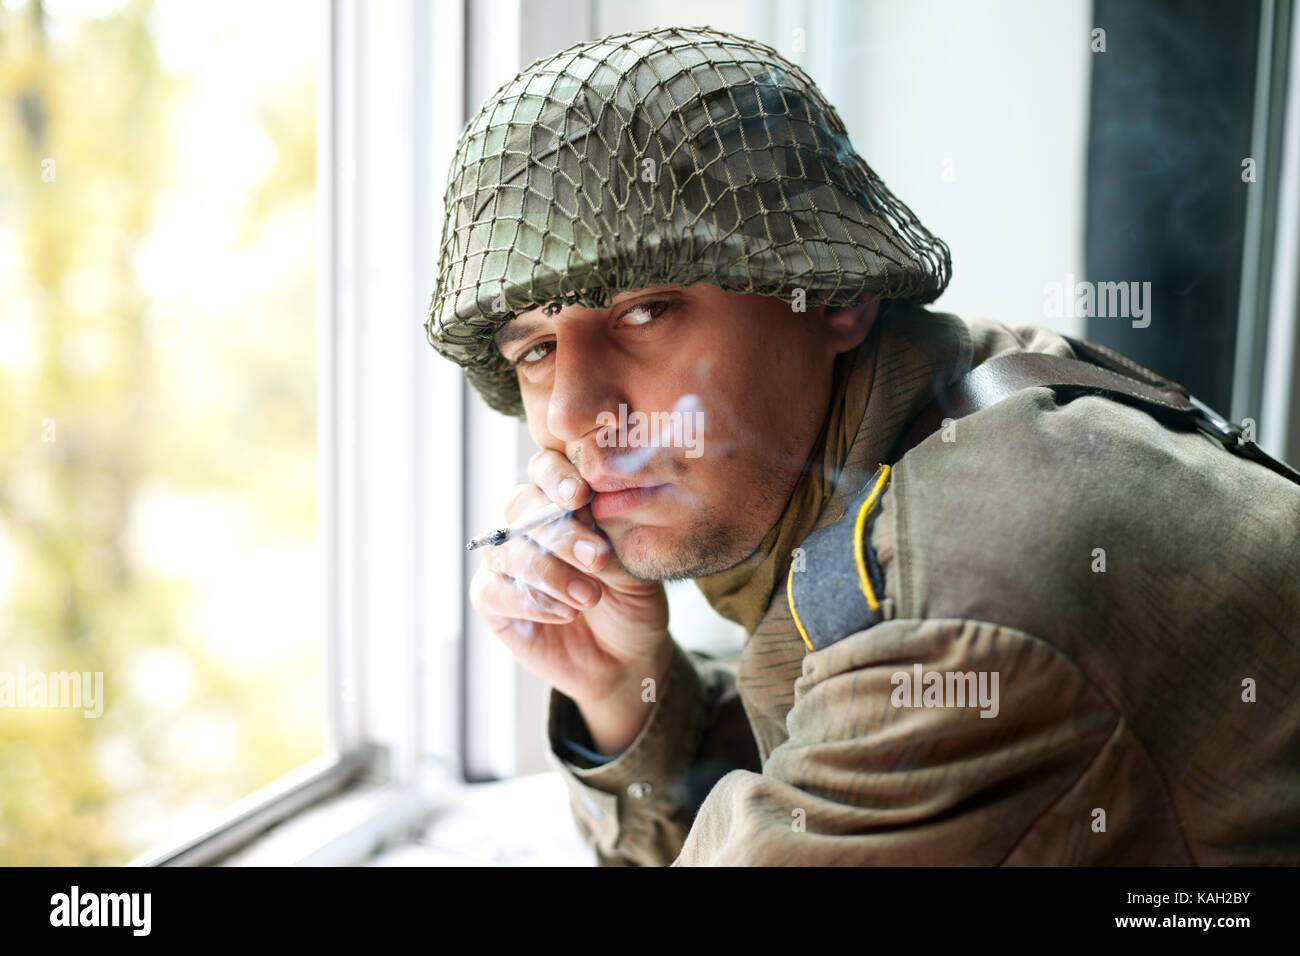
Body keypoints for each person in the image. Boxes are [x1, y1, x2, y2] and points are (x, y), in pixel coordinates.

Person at [425, 25, 1300, 865]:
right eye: (536, 349)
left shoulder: (962, 591)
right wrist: (621, 694)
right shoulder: (945, 404)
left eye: (644, 311)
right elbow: (823, 768)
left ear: (834, 294)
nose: (573, 413)